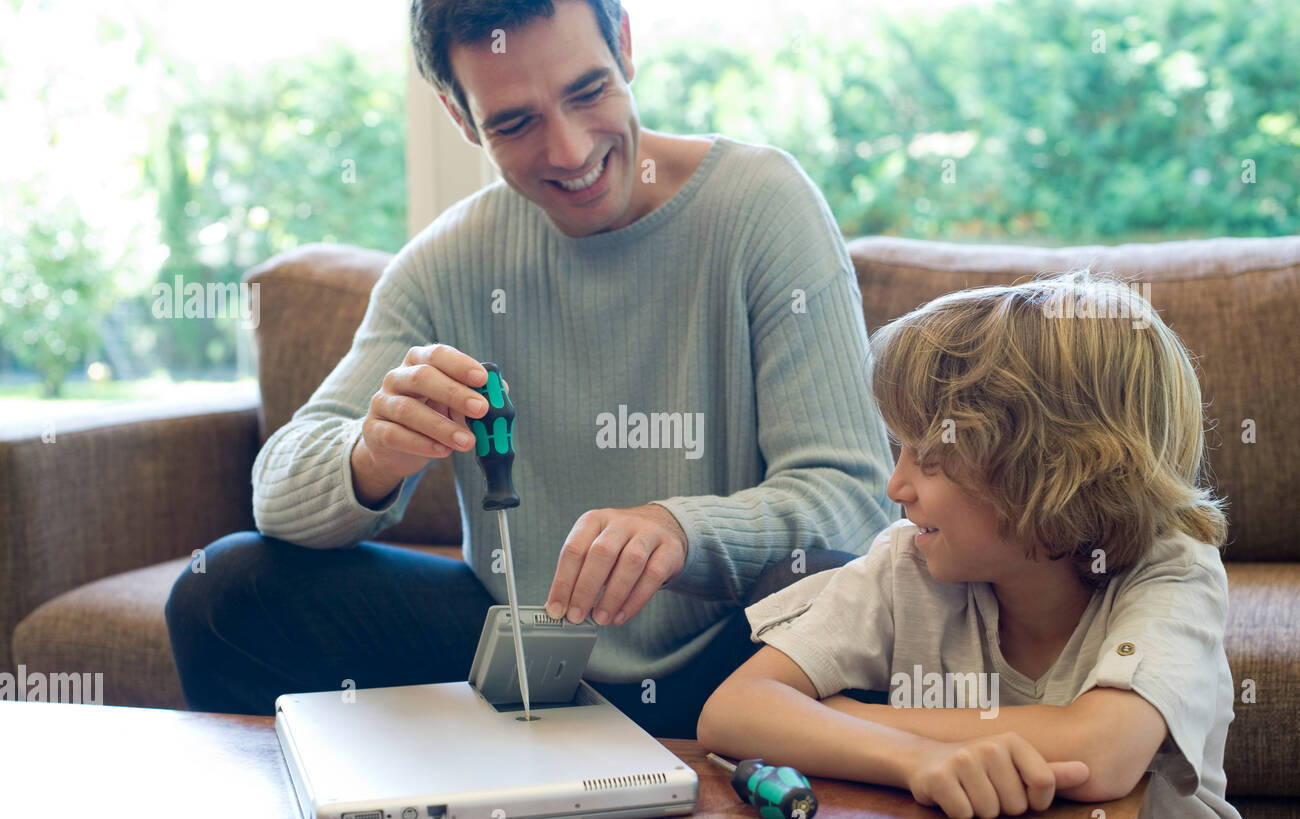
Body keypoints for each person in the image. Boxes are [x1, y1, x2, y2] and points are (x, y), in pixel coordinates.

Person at [164, 0, 898, 737]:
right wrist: (371, 454)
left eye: (588, 92)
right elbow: (278, 490)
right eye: (514, 123)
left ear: (627, 47)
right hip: (514, 655)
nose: (571, 150)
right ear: (459, 116)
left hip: (726, 671)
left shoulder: (763, 205)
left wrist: (682, 531)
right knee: (223, 591)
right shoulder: (447, 262)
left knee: (823, 582)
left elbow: (858, 503)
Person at [698, 272, 1268, 819]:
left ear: (1050, 471)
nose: (897, 486)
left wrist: (851, 719)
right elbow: (733, 710)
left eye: (932, 457)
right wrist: (913, 758)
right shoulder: (909, 563)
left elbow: (1101, 752)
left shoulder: (1171, 570)